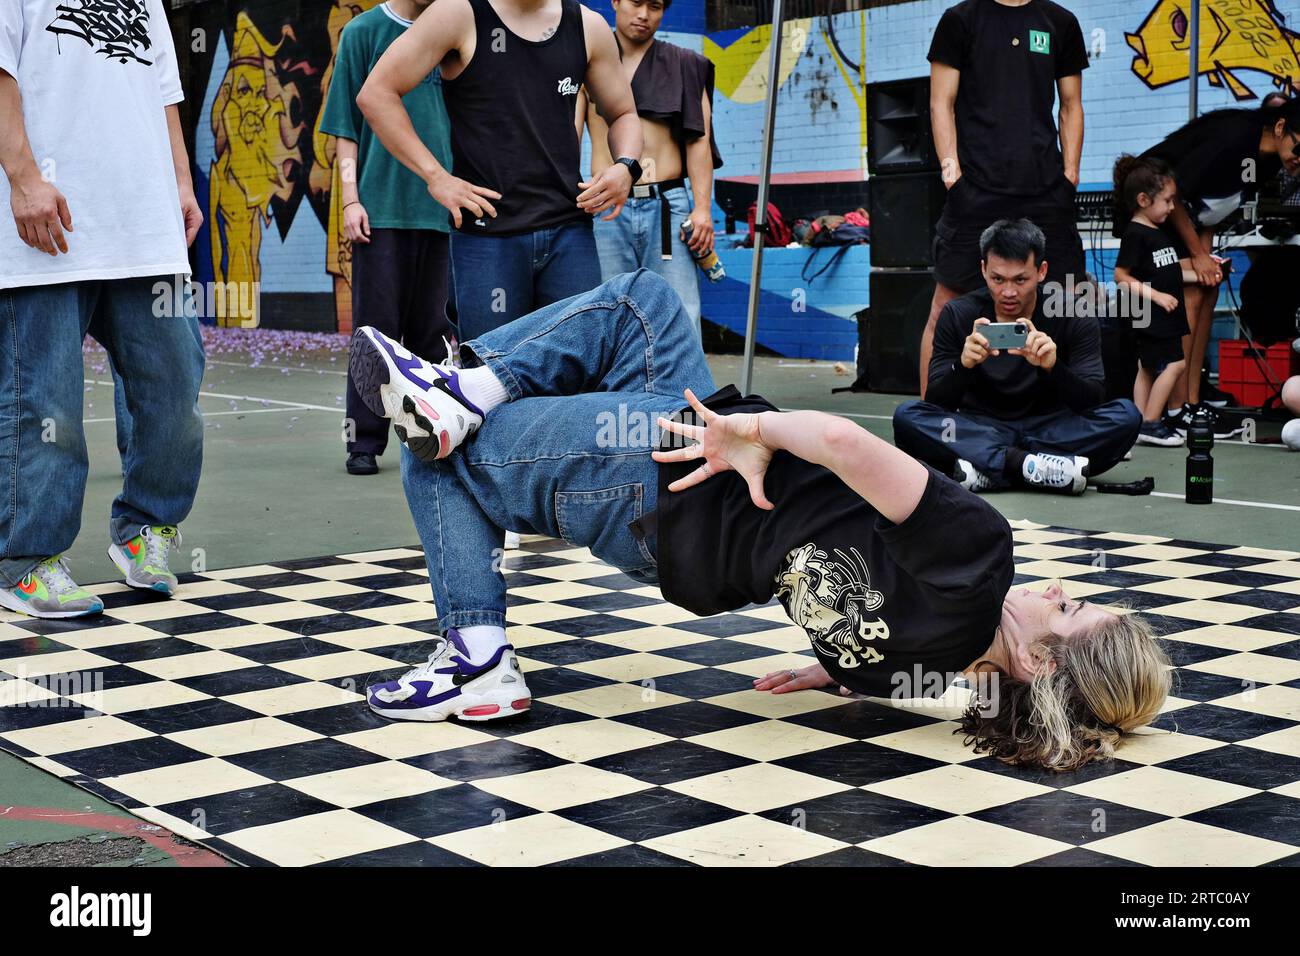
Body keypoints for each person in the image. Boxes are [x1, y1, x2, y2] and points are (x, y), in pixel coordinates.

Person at [345, 269, 1168, 772]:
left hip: (668, 473)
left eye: (1067, 607)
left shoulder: (980, 556)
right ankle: (469, 385)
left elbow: (845, 441)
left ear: (1032, 662)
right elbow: (865, 643)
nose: (1057, 584)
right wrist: (830, 670)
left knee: (437, 450)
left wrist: (753, 431)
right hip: (680, 538)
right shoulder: (931, 674)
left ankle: (476, 652)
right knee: (643, 303)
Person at [0, 0, 205, 618]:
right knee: (46, 401)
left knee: (175, 386)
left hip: (145, 222)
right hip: (49, 223)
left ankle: (147, 530)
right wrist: (24, 176)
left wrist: (181, 183)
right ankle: (27, 562)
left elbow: (164, 90)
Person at [356, 0, 643, 345]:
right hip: (487, 235)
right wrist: (436, 176)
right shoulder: (457, 14)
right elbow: (376, 93)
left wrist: (626, 167)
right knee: (493, 379)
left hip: (569, 232)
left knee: (578, 370)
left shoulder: (588, 26)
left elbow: (623, 112)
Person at [893, 219, 1141, 494]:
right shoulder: (958, 313)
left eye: (1020, 279)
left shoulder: (1073, 312)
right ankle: (1028, 466)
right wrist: (963, 366)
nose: (1008, 292)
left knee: (1126, 416)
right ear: (984, 270)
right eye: (998, 279)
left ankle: (993, 467)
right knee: (908, 417)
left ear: (1042, 271)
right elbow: (936, 402)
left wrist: (1052, 367)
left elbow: (1092, 400)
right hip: (980, 427)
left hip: (1051, 429)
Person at [920, 0, 1088, 396]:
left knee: (1070, 304)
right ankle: (928, 420)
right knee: (945, 307)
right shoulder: (960, 20)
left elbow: (1071, 105)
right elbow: (939, 103)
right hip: (975, 191)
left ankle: (1076, 419)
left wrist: (1070, 176)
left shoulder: (1060, 22)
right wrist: (952, 176)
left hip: (1046, 190)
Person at [320, 0, 456, 477]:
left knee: (434, 336)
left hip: (443, 212)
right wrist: (351, 200)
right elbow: (345, 128)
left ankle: (436, 433)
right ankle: (364, 441)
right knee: (375, 336)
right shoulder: (363, 32)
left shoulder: (455, 30)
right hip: (381, 211)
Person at [1131, 99, 1300, 435]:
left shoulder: (1265, 161)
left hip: (1188, 224)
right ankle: (1176, 409)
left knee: (1209, 287)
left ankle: (1193, 402)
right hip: (1153, 216)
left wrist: (1206, 258)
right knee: (1191, 292)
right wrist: (1197, 255)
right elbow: (1174, 195)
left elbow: (1211, 209)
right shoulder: (1234, 140)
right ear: (1281, 128)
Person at [576, 0, 722, 340]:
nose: (643, 14)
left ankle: (680, 393)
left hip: (668, 204)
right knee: (606, 312)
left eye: (655, 6)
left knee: (679, 312)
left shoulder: (686, 64)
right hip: (606, 205)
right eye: (635, 2)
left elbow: (698, 141)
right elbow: (568, 134)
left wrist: (702, 209)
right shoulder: (585, 61)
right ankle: (614, 395)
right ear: (615, 2)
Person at [1111, 155, 1192, 447]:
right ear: (1144, 199)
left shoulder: (1157, 232)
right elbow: (1121, 275)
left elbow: (1167, 272)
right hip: (1153, 313)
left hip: (1164, 313)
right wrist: (1156, 296)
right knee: (1175, 364)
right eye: (1168, 201)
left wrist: (1202, 275)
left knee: (1146, 366)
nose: (1172, 208)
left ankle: (1139, 422)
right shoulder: (1136, 233)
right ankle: (1152, 421)